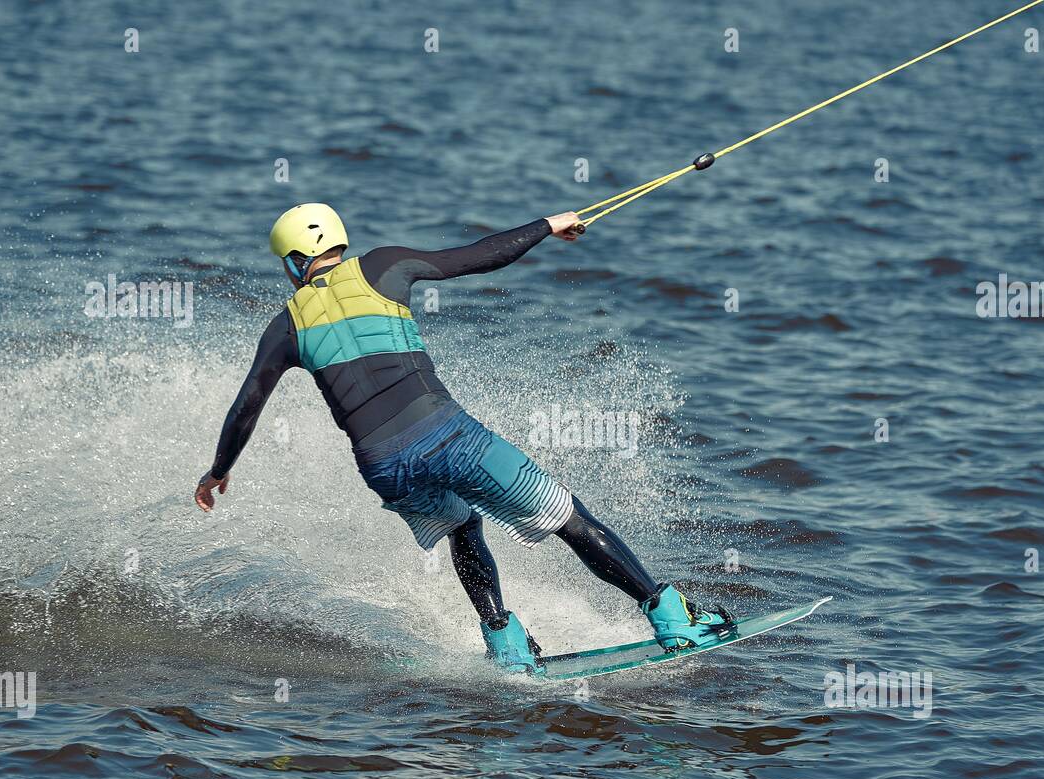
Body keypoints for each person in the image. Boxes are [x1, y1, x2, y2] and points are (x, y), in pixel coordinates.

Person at [195, 203, 730, 674]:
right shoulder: (382, 265)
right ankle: (670, 617)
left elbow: (246, 407)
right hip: (449, 437)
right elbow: (479, 255)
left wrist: (219, 471)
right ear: (338, 244)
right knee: (566, 516)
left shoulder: (285, 326)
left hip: (385, 466)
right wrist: (547, 226)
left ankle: (506, 643)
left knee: (463, 526)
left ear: (293, 262)